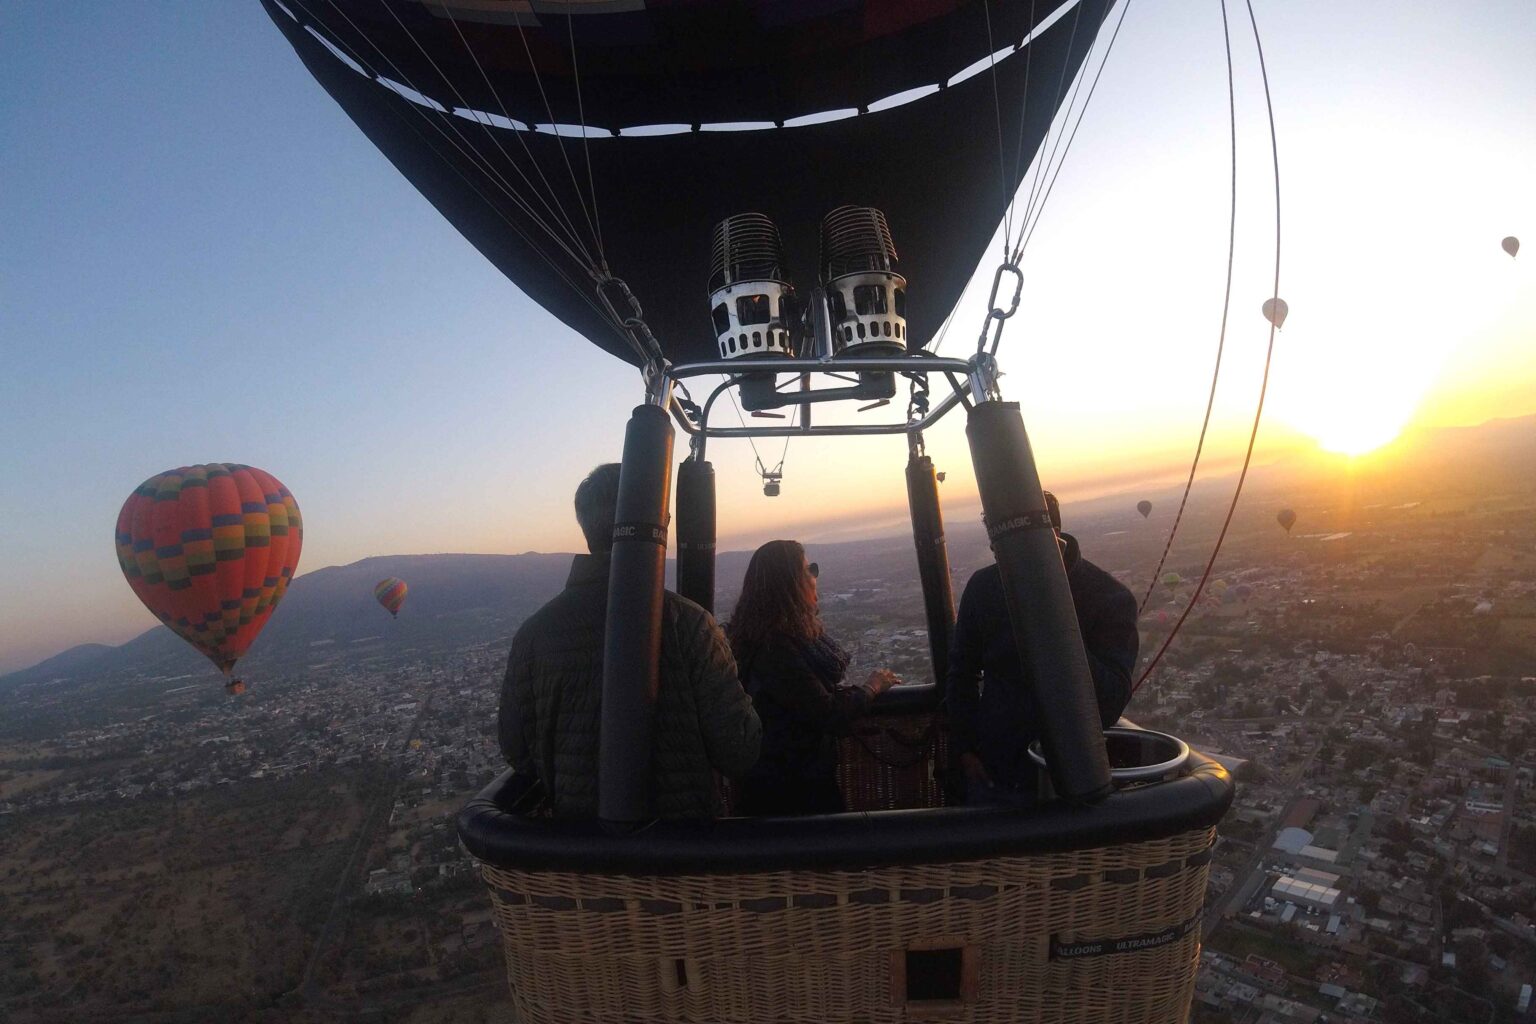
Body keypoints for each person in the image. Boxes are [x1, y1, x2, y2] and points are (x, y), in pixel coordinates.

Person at [499, 464, 761, 819]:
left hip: (577, 856)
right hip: (685, 854)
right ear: (659, 522)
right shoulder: (690, 623)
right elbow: (740, 750)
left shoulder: (532, 636)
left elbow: (518, 753)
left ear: (587, 529)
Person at [945, 491, 1138, 805]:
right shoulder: (984, 589)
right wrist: (965, 749)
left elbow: (1112, 699)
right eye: (997, 549)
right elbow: (962, 673)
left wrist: (1053, 622)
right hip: (997, 774)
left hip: (1075, 780)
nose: (1004, 559)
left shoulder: (1109, 599)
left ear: (1056, 538)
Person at [726, 540, 898, 815]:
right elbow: (827, 713)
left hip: (782, 783)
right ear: (790, 584)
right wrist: (872, 687)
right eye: (809, 570)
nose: (814, 578)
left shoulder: (765, 640)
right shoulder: (776, 649)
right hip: (792, 792)